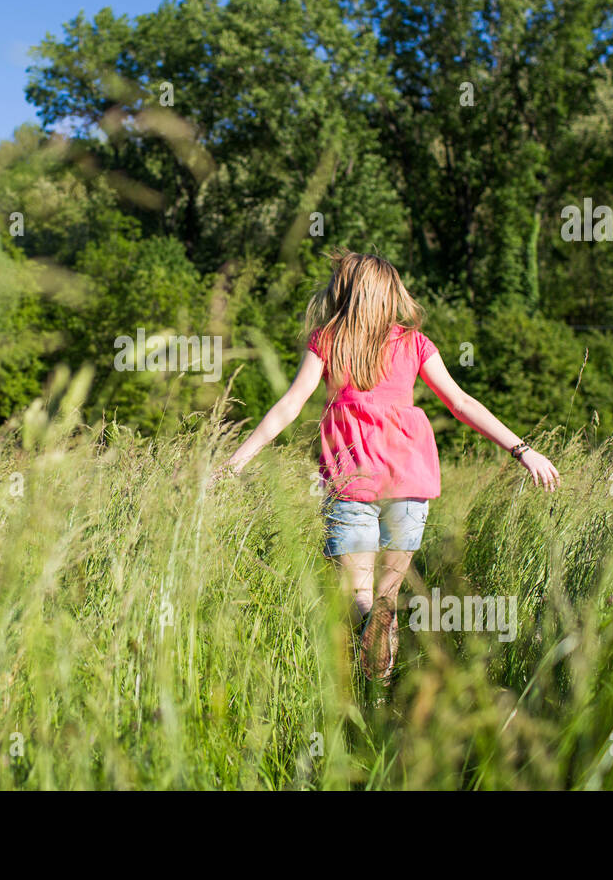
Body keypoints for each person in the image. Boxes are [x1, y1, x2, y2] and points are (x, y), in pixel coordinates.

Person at [220, 250, 561, 683]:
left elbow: (289, 405)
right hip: (408, 484)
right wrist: (522, 449)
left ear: (347, 291)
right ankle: (380, 693)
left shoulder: (328, 341)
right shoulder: (414, 343)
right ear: (389, 294)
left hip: (352, 483)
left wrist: (235, 463)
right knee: (387, 597)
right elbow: (460, 403)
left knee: (359, 595)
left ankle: (366, 651)